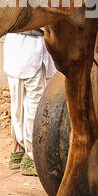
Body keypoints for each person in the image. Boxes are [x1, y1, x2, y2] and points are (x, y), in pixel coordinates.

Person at [4, 30, 58, 175]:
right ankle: (32, 157)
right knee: (33, 105)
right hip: (31, 50)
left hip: (15, 48)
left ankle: (18, 151)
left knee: (18, 104)